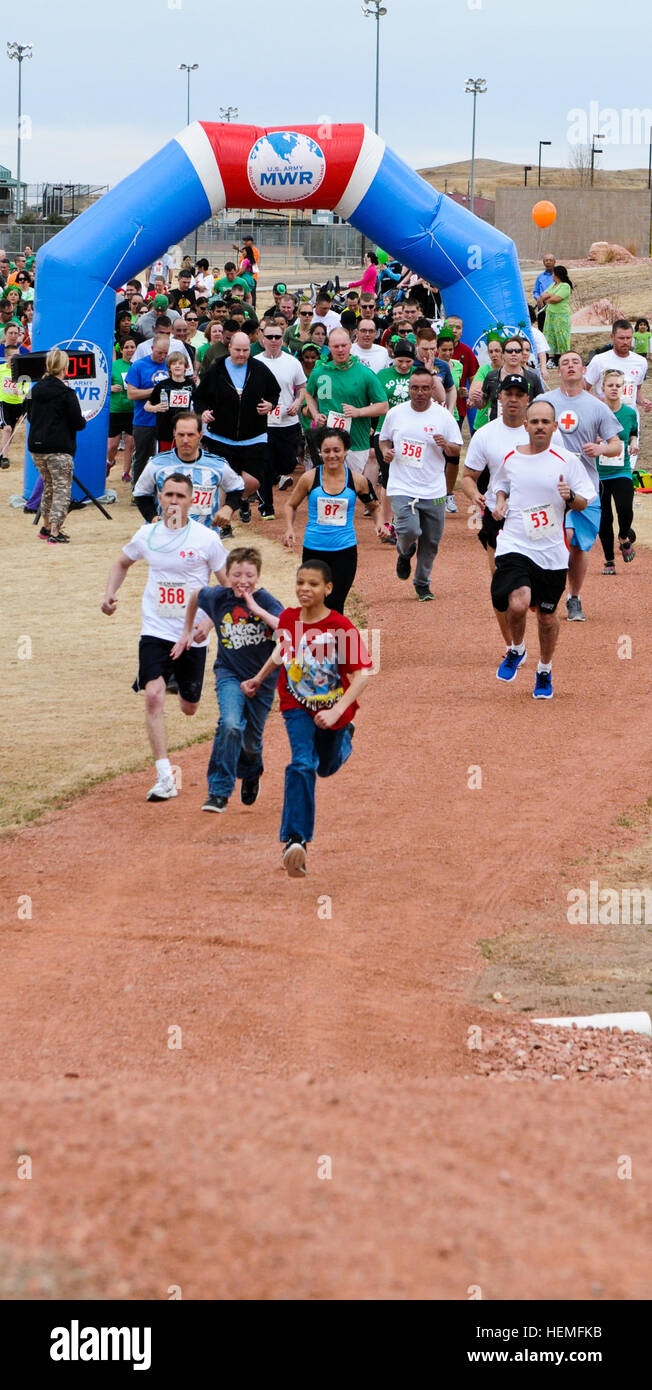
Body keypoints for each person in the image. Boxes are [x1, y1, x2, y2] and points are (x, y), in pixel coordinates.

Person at [241, 559, 373, 878]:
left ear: (328, 589)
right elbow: (281, 652)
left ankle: (344, 738)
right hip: (296, 704)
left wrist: (338, 711)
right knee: (301, 763)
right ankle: (295, 841)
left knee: (325, 767)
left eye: (313, 584)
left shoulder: (340, 627)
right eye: (301, 582)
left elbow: (363, 674)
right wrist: (259, 679)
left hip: (332, 708)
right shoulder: (288, 618)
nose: (305, 589)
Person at [101, 472, 228, 801]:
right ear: (160, 496)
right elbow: (121, 563)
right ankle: (164, 776)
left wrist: (210, 623)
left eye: (180, 496)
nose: (173, 501)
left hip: (194, 634)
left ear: (192, 500)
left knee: (189, 707)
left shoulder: (206, 539)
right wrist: (109, 594)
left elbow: (228, 588)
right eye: (168, 494)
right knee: (154, 695)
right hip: (155, 629)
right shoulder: (147, 535)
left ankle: (175, 682)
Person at [490, 400, 596, 698]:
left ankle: (545, 670)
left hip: (551, 551)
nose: (539, 426)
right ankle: (517, 649)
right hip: (515, 542)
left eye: (545, 422)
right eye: (534, 421)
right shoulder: (511, 458)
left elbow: (584, 501)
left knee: (548, 618)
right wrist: (500, 501)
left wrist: (571, 495)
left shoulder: (566, 461)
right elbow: (500, 485)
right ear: (525, 425)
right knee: (519, 602)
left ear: (554, 426)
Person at [461, 376, 565, 649]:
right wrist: (477, 496)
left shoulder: (546, 432)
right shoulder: (485, 434)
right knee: (503, 587)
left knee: (540, 592)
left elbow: (563, 470)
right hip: (500, 516)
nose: (514, 399)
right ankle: (511, 646)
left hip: (540, 516)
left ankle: (535, 605)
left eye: (520, 394)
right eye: (509, 393)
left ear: (528, 400)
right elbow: (468, 477)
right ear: (500, 397)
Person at [176, 546, 282, 812]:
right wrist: (187, 631)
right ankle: (219, 791)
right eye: (236, 574)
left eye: (249, 575)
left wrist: (255, 607)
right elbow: (196, 595)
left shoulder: (267, 601)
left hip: (263, 679)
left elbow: (285, 630)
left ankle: (251, 771)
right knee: (231, 724)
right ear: (227, 573)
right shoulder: (218, 596)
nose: (242, 581)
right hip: (229, 675)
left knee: (250, 741)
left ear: (258, 576)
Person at [539, 351, 623, 620]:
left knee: (579, 544)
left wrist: (600, 448)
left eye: (576, 362)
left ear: (584, 369)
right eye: (565, 363)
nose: (571, 366)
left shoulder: (597, 405)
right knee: (557, 537)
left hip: (585, 485)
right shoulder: (544, 402)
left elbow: (616, 444)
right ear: (558, 371)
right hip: (549, 484)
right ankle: (549, 590)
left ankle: (574, 598)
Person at [379, 364, 462, 601]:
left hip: (433, 488)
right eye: (415, 388)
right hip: (402, 486)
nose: (420, 393)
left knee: (431, 541)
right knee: (409, 530)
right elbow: (384, 440)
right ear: (409, 388)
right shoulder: (396, 413)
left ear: (432, 389)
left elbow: (457, 448)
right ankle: (404, 552)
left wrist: (445, 444)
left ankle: (422, 583)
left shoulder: (443, 416)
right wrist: (386, 452)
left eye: (425, 388)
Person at [283, 426, 380, 611]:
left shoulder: (357, 480)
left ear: (345, 451)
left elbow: (375, 506)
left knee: (335, 603)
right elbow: (290, 505)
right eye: (326, 451)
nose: (332, 455)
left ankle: (335, 639)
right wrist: (289, 528)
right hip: (314, 550)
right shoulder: (309, 478)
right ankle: (318, 639)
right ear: (320, 452)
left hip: (344, 551)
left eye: (337, 450)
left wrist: (379, 524)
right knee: (315, 602)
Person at [194, 330, 280, 523]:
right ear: (230, 348)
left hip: (254, 436)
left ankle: (240, 499)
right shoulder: (217, 370)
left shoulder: (259, 369)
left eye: (246, 350)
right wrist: (203, 413)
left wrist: (270, 405)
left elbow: (274, 391)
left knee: (252, 482)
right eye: (238, 350)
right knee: (223, 482)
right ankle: (222, 524)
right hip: (220, 436)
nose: (242, 354)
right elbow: (199, 397)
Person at [133, 411, 243, 531]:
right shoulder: (156, 464)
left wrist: (228, 508)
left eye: (190, 435)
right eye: (181, 434)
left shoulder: (217, 465)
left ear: (200, 435)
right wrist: (153, 518)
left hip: (203, 537)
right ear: (174, 434)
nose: (185, 440)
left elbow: (237, 488)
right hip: (165, 535)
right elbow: (141, 494)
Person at [304, 327, 388, 475]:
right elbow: (308, 394)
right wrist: (315, 413)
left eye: (344, 345)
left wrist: (359, 412)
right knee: (330, 487)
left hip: (356, 442)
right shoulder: (319, 371)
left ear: (351, 345)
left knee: (354, 486)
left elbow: (383, 406)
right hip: (328, 443)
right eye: (336, 346)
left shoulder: (365, 373)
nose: (340, 350)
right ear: (329, 347)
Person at [26, 348, 86, 544]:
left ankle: (45, 527)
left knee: (48, 487)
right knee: (61, 490)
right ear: (65, 367)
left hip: (36, 447)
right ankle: (55, 531)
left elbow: (29, 414)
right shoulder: (67, 393)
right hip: (58, 447)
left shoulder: (35, 389)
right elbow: (78, 423)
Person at [259, 321, 307, 512]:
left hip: (288, 422)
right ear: (262, 338)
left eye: (277, 337)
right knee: (265, 465)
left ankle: (277, 476)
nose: (273, 340)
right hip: (263, 423)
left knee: (288, 464)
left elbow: (303, 388)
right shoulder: (255, 362)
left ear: (282, 339)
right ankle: (266, 507)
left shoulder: (292, 362)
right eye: (269, 337)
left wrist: (297, 403)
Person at [596, 370, 639, 573]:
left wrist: (634, 442)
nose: (614, 388)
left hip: (622, 469)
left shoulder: (629, 413)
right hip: (599, 472)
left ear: (623, 388)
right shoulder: (595, 410)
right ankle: (609, 560)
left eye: (618, 385)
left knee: (625, 509)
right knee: (604, 517)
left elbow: (632, 433)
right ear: (603, 388)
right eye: (610, 385)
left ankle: (623, 536)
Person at [125, 334, 172, 481]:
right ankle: (137, 490)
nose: (163, 356)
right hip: (144, 420)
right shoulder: (138, 366)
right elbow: (131, 394)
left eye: (166, 353)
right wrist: (156, 390)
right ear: (152, 349)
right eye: (159, 352)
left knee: (164, 457)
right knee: (142, 457)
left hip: (165, 421)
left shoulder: (171, 365)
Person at [584, 318, 651, 421]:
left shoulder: (641, 362)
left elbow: (636, 390)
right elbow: (583, 389)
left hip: (629, 421)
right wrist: (601, 400)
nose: (625, 342)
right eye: (621, 338)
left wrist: (643, 402)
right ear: (612, 337)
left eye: (628, 338)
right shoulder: (599, 360)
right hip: (605, 418)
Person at [144, 351, 196, 451]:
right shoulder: (162, 385)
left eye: (180, 363)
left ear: (186, 367)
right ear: (169, 367)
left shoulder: (191, 384)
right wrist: (156, 408)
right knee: (166, 461)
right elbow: (147, 406)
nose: (177, 366)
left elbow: (197, 405)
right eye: (174, 363)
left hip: (185, 431)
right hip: (165, 430)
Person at [0, 322, 29, 466]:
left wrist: (25, 397)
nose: (13, 335)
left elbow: (28, 383)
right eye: (10, 333)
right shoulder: (2, 369)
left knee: (9, 431)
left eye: (15, 333)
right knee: (7, 428)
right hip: (3, 401)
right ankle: (4, 457)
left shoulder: (24, 353)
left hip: (18, 403)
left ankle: (2, 453)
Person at [107, 335, 136, 481]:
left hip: (132, 410)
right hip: (116, 410)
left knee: (130, 445)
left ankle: (126, 472)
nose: (130, 350)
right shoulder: (115, 366)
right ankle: (110, 461)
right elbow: (104, 385)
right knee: (112, 446)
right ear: (121, 349)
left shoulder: (137, 365)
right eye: (127, 347)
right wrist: (110, 388)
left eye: (132, 347)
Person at [468, 334, 504, 429]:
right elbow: (474, 393)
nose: (494, 354)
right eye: (490, 352)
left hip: (504, 422)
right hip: (483, 423)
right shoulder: (484, 370)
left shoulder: (510, 370)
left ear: (503, 352)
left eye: (497, 351)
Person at [539, 265, 573, 364]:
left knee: (561, 335)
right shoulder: (553, 285)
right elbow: (543, 295)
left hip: (561, 315)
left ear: (557, 274)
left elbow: (556, 299)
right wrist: (550, 296)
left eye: (554, 274)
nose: (552, 276)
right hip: (550, 314)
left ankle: (563, 357)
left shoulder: (565, 286)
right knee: (550, 335)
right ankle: (551, 358)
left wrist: (548, 297)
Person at [533, 253, 556, 333]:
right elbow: (535, 291)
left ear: (554, 262)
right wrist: (538, 298)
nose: (548, 262)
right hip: (542, 306)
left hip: (554, 305)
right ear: (543, 263)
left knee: (553, 329)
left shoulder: (558, 275)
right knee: (542, 329)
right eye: (546, 260)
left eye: (550, 260)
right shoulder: (540, 276)